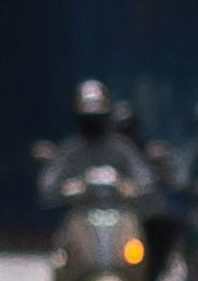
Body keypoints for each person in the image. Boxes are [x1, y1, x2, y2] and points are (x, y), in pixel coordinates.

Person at [37, 79, 158, 211]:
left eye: (97, 117)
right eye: (88, 117)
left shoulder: (122, 148)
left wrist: (126, 187)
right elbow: (47, 187)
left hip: (120, 214)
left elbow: (147, 182)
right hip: (81, 215)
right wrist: (73, 187)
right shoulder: (71, 150)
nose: (93, 122)